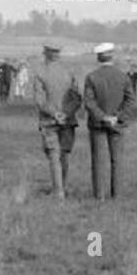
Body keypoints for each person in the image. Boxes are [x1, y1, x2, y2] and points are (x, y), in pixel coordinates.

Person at [83, 43, 136, 201]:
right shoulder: (123, 76)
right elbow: (130, 100)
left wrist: (103, 117)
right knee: (117, 159)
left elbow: (89, 102)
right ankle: (117, 195)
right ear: (112, 56)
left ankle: (99, 196)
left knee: (98, 160)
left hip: (98, 124)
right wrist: (117, 117)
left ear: (98, 57)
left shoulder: (91, 77)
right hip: (117, 124)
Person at [33, 44, 82, 198]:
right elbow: (77, 97)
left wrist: (55, 114)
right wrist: (66, 113)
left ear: (45, 54)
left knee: (54, 155)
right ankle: (62, 187)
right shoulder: (69, 71)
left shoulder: (40, 72)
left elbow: (40, 100)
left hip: (49, 121)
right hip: (68, 120)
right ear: (58, 54)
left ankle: (58, 190)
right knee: (65, 154)